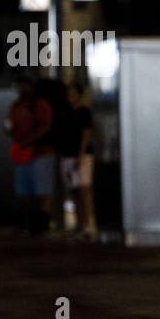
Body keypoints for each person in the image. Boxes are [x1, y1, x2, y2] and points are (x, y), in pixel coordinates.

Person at [7, 78, 54, 236]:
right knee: (24, 192)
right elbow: (10, 126)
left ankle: (41, 225)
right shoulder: (17, 106)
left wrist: (28, 141)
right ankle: (27, 224)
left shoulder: (39, 105)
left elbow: (45, 127)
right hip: (23, 153)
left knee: (41, 192)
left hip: (39, 153)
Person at [59, 81, 96, 239]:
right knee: (74, 190)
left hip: (82, 155)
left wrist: (81, 154)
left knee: (83, 190)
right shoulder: (67, 112)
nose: (70, 97)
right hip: (68, 154)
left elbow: (86, 134)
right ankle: (79, 224)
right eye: (69, 94)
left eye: (73, 93)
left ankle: (87, 225)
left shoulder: (84, 112)